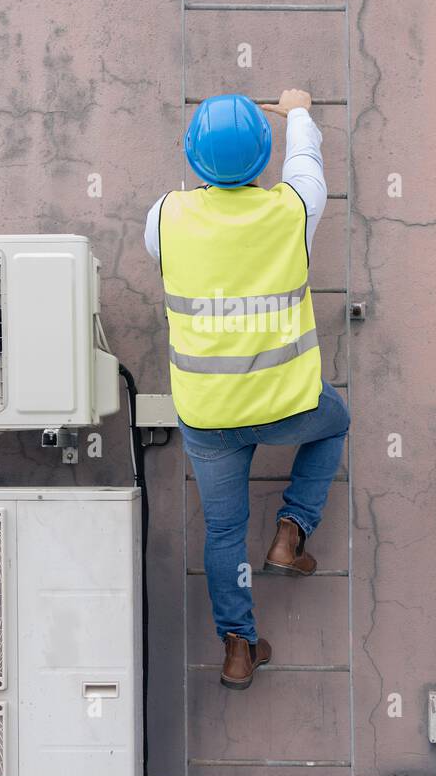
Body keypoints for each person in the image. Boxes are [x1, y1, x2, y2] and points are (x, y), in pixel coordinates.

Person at [144, 89, 350, 689]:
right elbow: (306, 164)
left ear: (192, 156)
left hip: (209, 418)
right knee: (337, 420)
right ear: (262, 156)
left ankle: (237, 646)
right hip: (289, 405)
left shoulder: (164, 217)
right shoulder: (293, 211)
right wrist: (299, 111)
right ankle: (291, 532)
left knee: (224, 532)